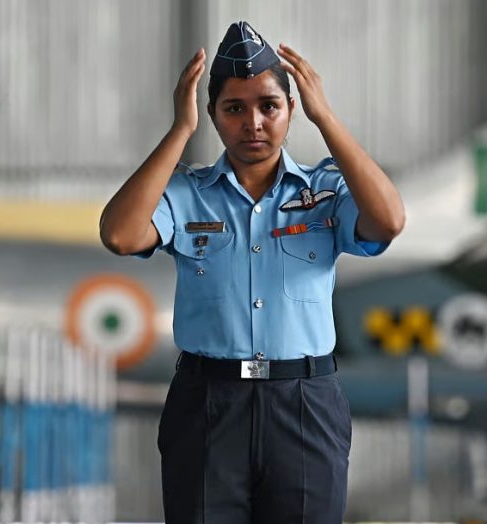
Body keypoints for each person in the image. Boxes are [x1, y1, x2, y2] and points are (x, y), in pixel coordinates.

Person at [99, 20, 405, 524]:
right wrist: (180, 131)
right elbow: (120, 234)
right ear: (214, 115)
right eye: (234, 108)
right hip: (207, 406)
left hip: (305, 404)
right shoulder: (184, 192)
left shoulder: (326, 190)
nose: (254, 122)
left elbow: (388, 220)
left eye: (269, 105)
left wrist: (326, 118)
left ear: (290, 110)